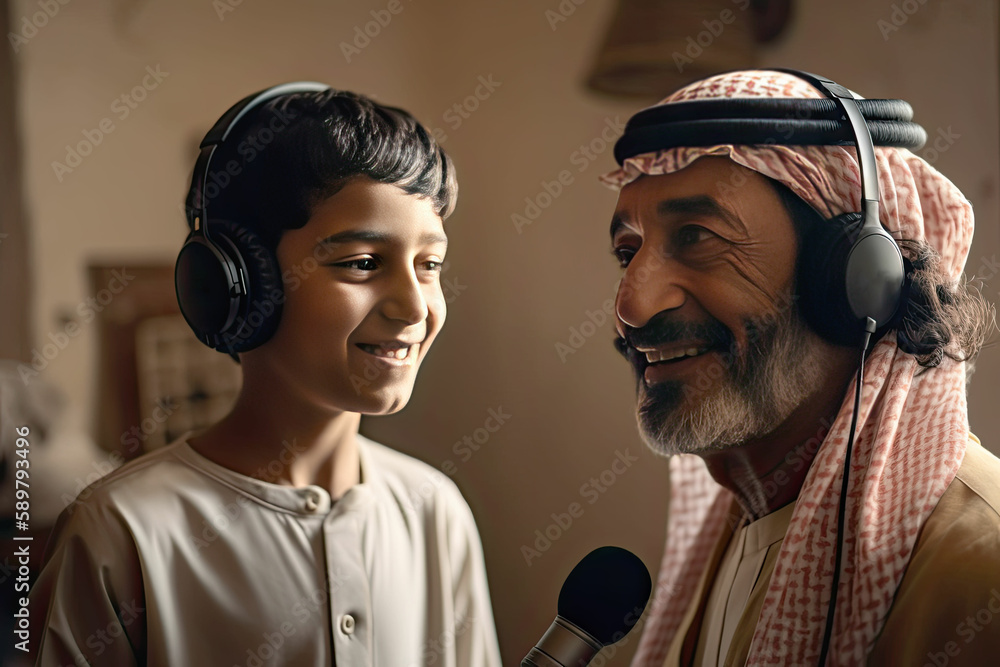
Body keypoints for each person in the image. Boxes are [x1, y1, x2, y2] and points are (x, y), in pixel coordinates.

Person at [30, 85, 502, 667]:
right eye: (362, 263)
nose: (414, 307)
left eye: (430, 265)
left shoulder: (436, 512)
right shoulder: (119, 532)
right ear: (237, 284)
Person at [601, 69, 1000, 666]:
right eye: (627, 253)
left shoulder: (980, 572)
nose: (631, 307)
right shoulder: (736, 537)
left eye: (697, 237)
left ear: (855, 282)